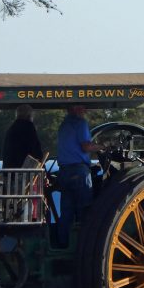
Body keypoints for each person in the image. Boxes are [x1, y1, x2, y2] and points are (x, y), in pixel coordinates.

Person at [56, 104, 102, 245]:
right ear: (75, 108)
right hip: (79, 172)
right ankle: (84, 245)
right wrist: (103, 147)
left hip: (63, 172)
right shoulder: (80, 123)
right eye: (83, 107)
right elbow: (86, 146)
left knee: (66, 213)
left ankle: (63, 245)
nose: (85, 110)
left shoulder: (63, 125)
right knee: (84, 210)